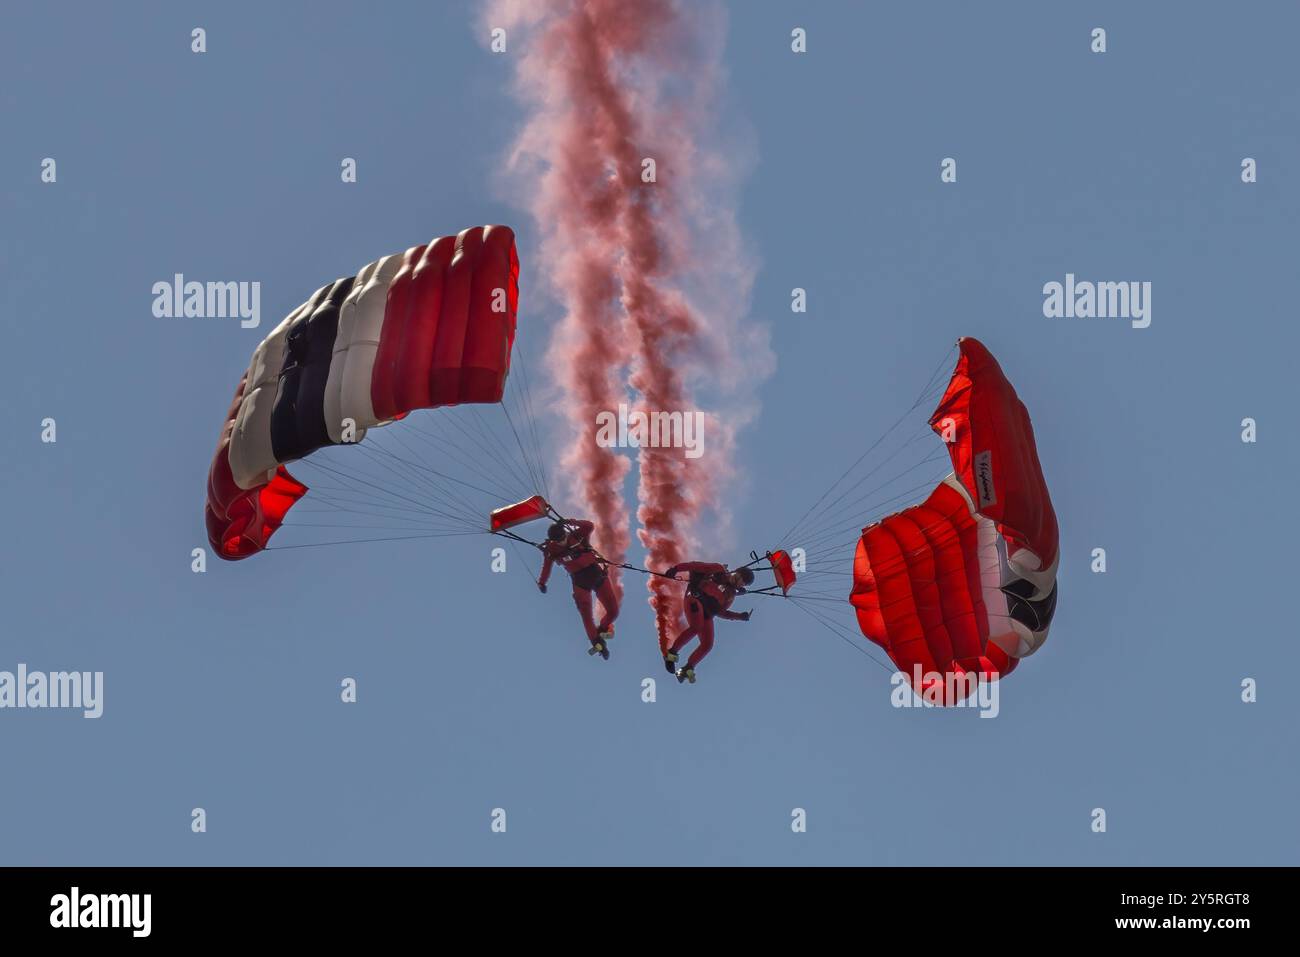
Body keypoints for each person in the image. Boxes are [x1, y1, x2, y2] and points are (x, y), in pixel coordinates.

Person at [537, 519, 619, 659]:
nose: (561, 542)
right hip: (580, 583)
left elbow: (589, 525)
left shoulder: (577, 536)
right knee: (586, 616)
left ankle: (602, 629)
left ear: (565, 533)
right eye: (558, 541)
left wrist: (568, 521)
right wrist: (542, 583)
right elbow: (547, 566)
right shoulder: (551, 549)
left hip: (598, 576)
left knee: (613, 612)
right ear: (553, 540)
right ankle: (597, 643)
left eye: (563, 538)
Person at [661, 562, 755, 683]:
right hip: (694, 598)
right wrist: (675, 569)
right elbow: (695, 566)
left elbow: (721, 612)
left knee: (707, 644)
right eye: (737, 577)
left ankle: (687, 668)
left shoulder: (730, 594)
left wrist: (740, 616)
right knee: (696, 627)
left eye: (739, 582)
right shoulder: (718, 570)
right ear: (735, 571)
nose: (735, 581)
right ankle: (671, 654)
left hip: (706, 613)